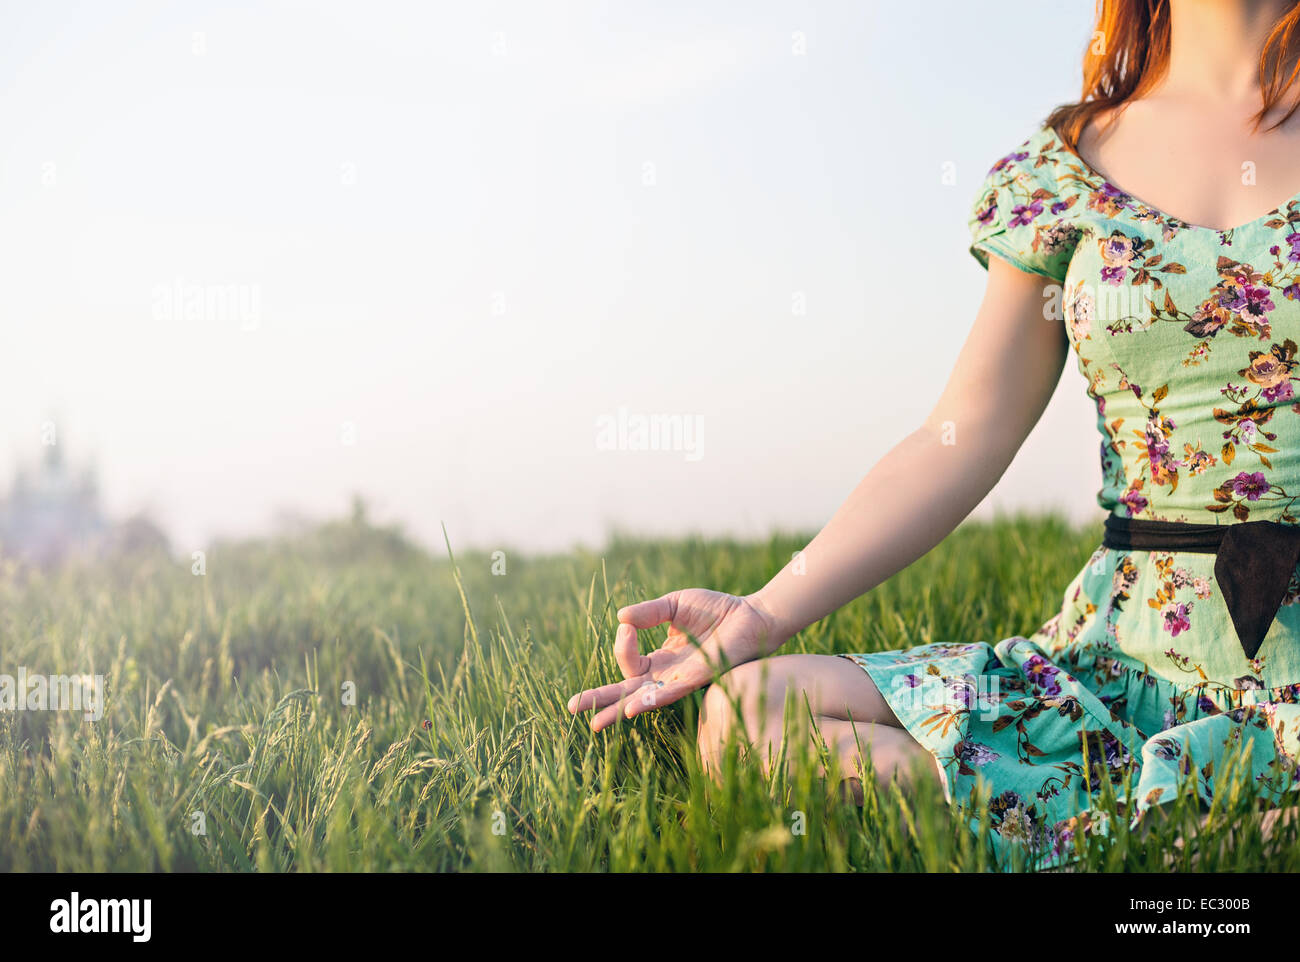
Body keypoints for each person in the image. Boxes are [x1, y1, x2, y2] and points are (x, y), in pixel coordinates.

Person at [568, 0, 1300, 867]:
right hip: (1123, 652)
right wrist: (765, 610)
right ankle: (1140, 842)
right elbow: (963, 434)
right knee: (754, 715)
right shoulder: (1064, 167)